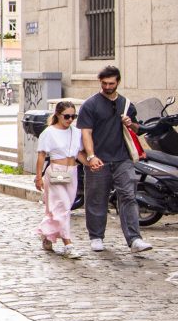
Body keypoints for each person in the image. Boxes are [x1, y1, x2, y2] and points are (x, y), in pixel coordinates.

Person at [77, 65, 152, 254]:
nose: (107, 87)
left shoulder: (127, 104)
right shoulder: (90, 104)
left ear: (118, 82)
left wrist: (131, 123)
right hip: (98, 159)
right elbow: (86, 132)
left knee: (128, 196)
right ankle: (96, 237)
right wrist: (91, 156)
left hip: (122, 159)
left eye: (111, 83)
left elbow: (136, 129)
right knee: (96, 198)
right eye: (104, 83)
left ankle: (135, 239)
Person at [34, 100, 84, 257]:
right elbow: (41, 155)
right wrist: (38, 176)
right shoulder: (49, 132)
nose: (70, 119)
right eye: (66, 116)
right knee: (63, 208)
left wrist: (91, 163)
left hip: (72, 171)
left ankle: (47, 234)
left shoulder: (76, 132)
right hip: (56, 171)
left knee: (63, 207)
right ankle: (68, 244)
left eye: (73, 116)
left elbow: (79, 153)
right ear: (58, 115)